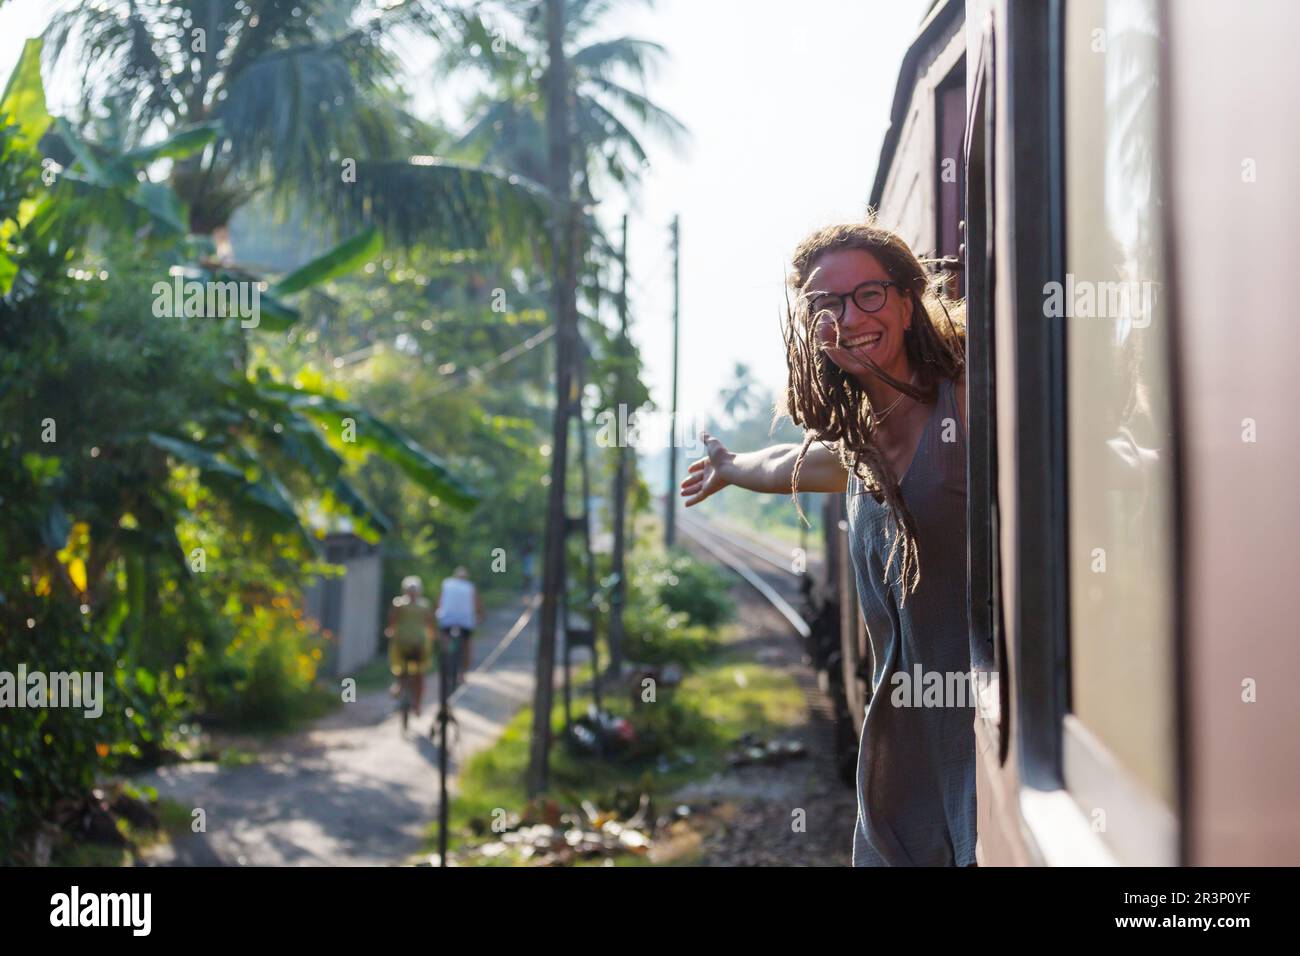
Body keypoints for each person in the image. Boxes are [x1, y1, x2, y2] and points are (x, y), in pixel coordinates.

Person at [679, 218, 974, 866]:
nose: (849, 316)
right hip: (903, 757)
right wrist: (730, 468)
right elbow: (792, 461)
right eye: (826, 303)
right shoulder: (862, 441)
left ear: (905, 298)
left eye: (867, 294)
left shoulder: (968, 406)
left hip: (979, 745)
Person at [385, 575, 435, 718]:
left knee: (417, 674)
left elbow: (392, 623)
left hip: (413, 643)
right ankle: (408, 694)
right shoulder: (402, 605)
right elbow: (393, 622)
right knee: (410, 672)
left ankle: (414, 700)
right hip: (408, 643)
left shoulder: (418, 605)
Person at [436, 566, 483, 689]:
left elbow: (440, 601)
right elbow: (476, 604)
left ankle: (445, 658)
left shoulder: (446, 583)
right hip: (465, 621)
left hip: (447, 619)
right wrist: (479, 615)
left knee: (445, 639)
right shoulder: (470, 587)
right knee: (467, 645)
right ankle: (462, 673)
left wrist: (439, 612)